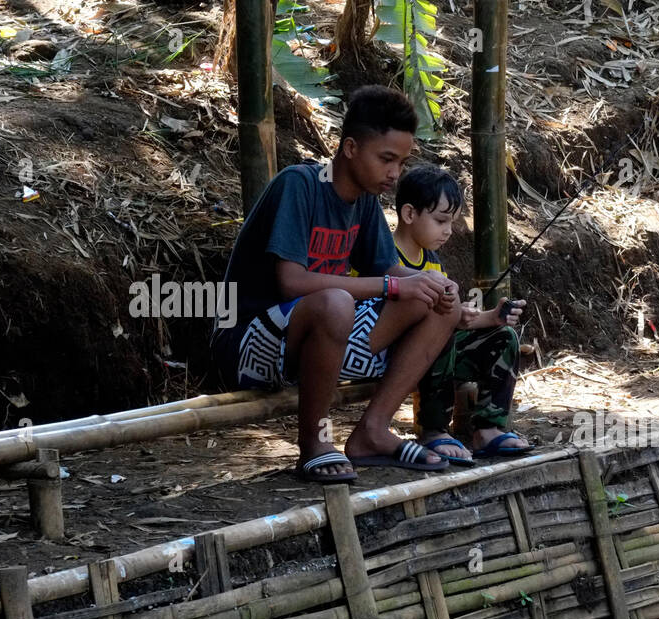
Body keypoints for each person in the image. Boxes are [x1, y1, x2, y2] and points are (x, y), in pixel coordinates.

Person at [210, 85, 459, 483]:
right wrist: (394, 288)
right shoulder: (300, 184)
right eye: (386, 159)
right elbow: (291, 283)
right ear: (350, 149)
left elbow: (388, 270)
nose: (395, 174)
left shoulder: (363, 201)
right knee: (336, 301)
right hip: (247, 345)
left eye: (401, 162)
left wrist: (433, 283)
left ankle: (372, 432)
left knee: (436, 301)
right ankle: (313, 444)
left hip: (314, 344)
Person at [390, 164, 530, 464]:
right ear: (409, 214)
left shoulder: (432, 261)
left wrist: (491, 317)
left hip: (437, 347)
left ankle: (487, 428)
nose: (448, 231)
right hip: (396, 351)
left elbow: (450, 318)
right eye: (441, 220)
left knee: (503, 337)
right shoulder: (384, 254)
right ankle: (433, 430)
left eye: (451, 222)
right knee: (440, 337)